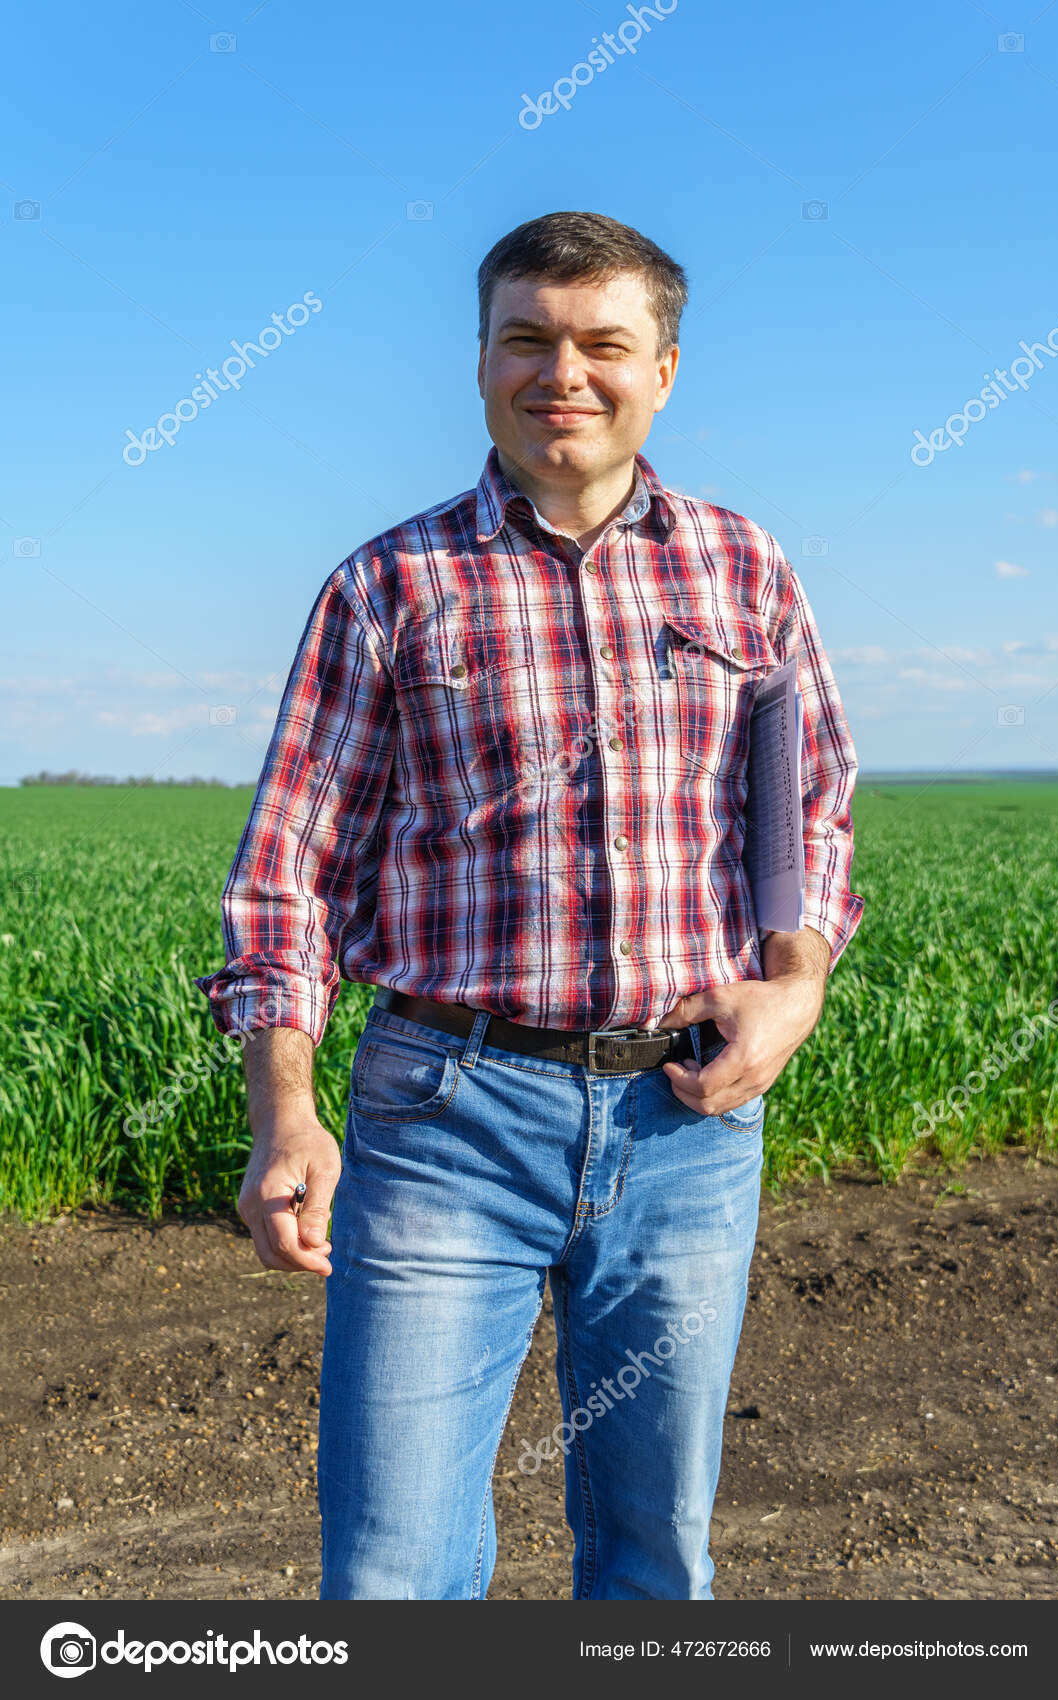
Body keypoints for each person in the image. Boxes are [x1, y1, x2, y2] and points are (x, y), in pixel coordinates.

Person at [197, 209, 863, 1601]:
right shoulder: (390, 586)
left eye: (603, 343)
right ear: (484, 361)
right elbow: (289, 870)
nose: (564, 371)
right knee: (393, 1568)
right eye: (529, 340)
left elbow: (809, 810)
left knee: (651, 1558)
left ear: (663, 371)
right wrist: (287, 1116)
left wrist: (793, 987)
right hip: (444, 1117)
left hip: (684, 1124)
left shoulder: (747, 568)